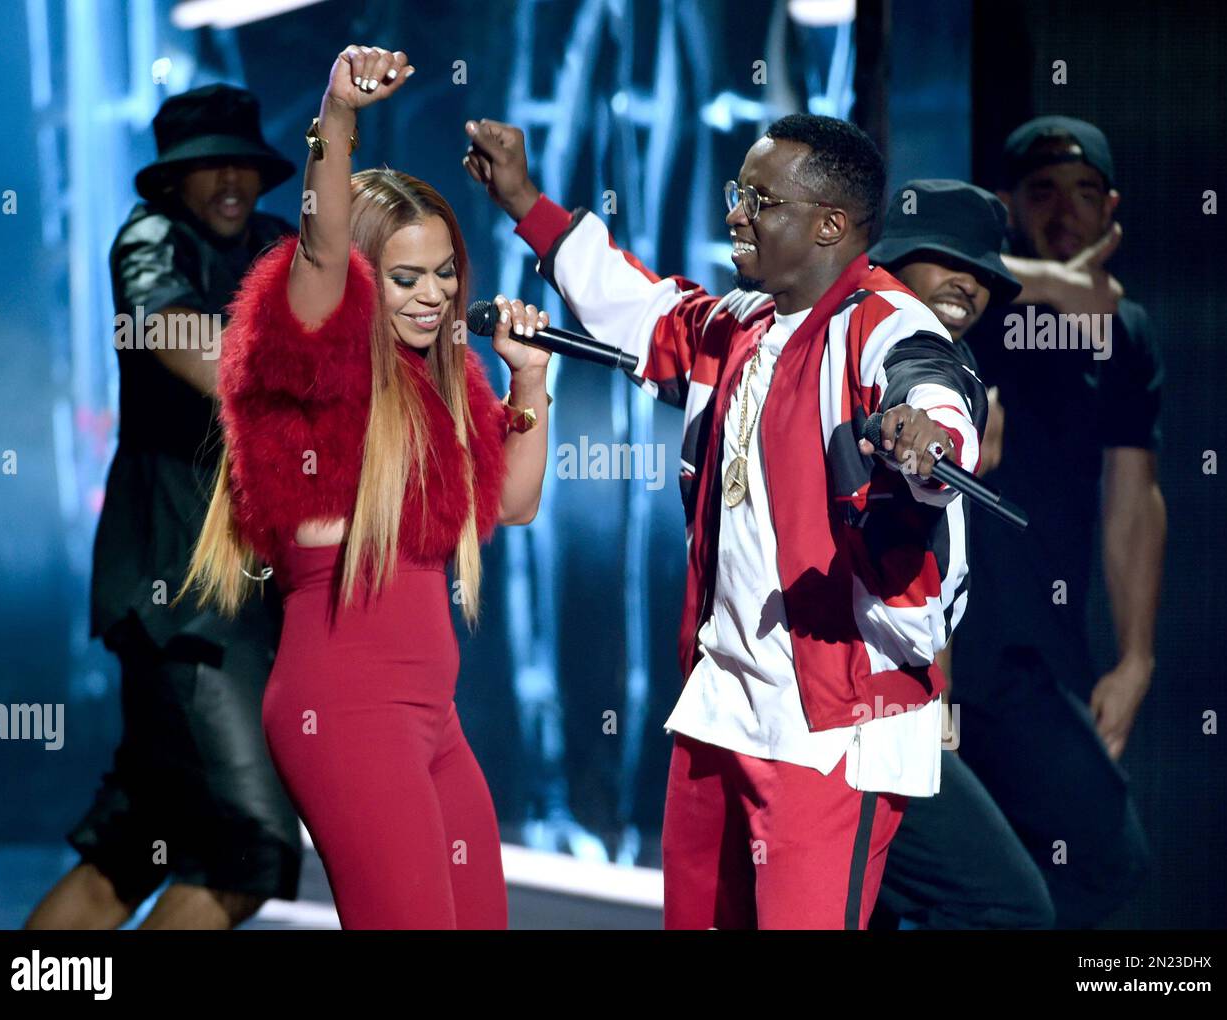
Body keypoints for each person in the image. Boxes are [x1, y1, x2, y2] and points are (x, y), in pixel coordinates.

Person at [465, 112, 987, 929]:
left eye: (758, 199)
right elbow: (636, 307)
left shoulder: (888, 325)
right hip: (718, 709)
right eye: (737, 194)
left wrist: (928, 435)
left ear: (828, 225)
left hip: (830, 730)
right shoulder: (739, 325)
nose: (734, 215)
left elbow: (932, 391)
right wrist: (526, 200)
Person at [181, 45, 552, 930]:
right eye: (406, 277)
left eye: (446, 273)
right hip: (345, 712)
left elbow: (512, 504)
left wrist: (529, 386)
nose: (434, 296)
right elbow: (320, 241)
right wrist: (338, 117)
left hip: (435, 719)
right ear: (361, 279)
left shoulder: (447, 391)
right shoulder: (318, 357)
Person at [27, 84, 303, 930]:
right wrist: (303, 385)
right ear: (170, 181)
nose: (228, 180)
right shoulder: (150, 241)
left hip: (241, 594)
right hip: (176, 595)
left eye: (242, 163)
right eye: (205, 165)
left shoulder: (280, 245)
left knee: (137, 838)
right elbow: (174, 336)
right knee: (249, 847)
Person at [953, 116, 1164, 927]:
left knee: (1089, 864)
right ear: (1005, 205)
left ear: (1111, 208)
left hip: (1040, 660)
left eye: (1084, 195)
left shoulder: (1124, 332)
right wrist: (1044, 286)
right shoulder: (964, 301)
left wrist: (1137, 657)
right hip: (933, 650)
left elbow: (1132, 497)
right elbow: (894, 267)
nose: (1064, 213)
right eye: (1042, 193)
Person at [866, 178, 1054, 928]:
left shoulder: (964, 371)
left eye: (982, 273)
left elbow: (932, 576)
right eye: (944, 259)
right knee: (1008, 906)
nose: (965, 284)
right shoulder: (874, 351)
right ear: (890, 263)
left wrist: (935, 703)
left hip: (898, 700)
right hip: (849, 708)